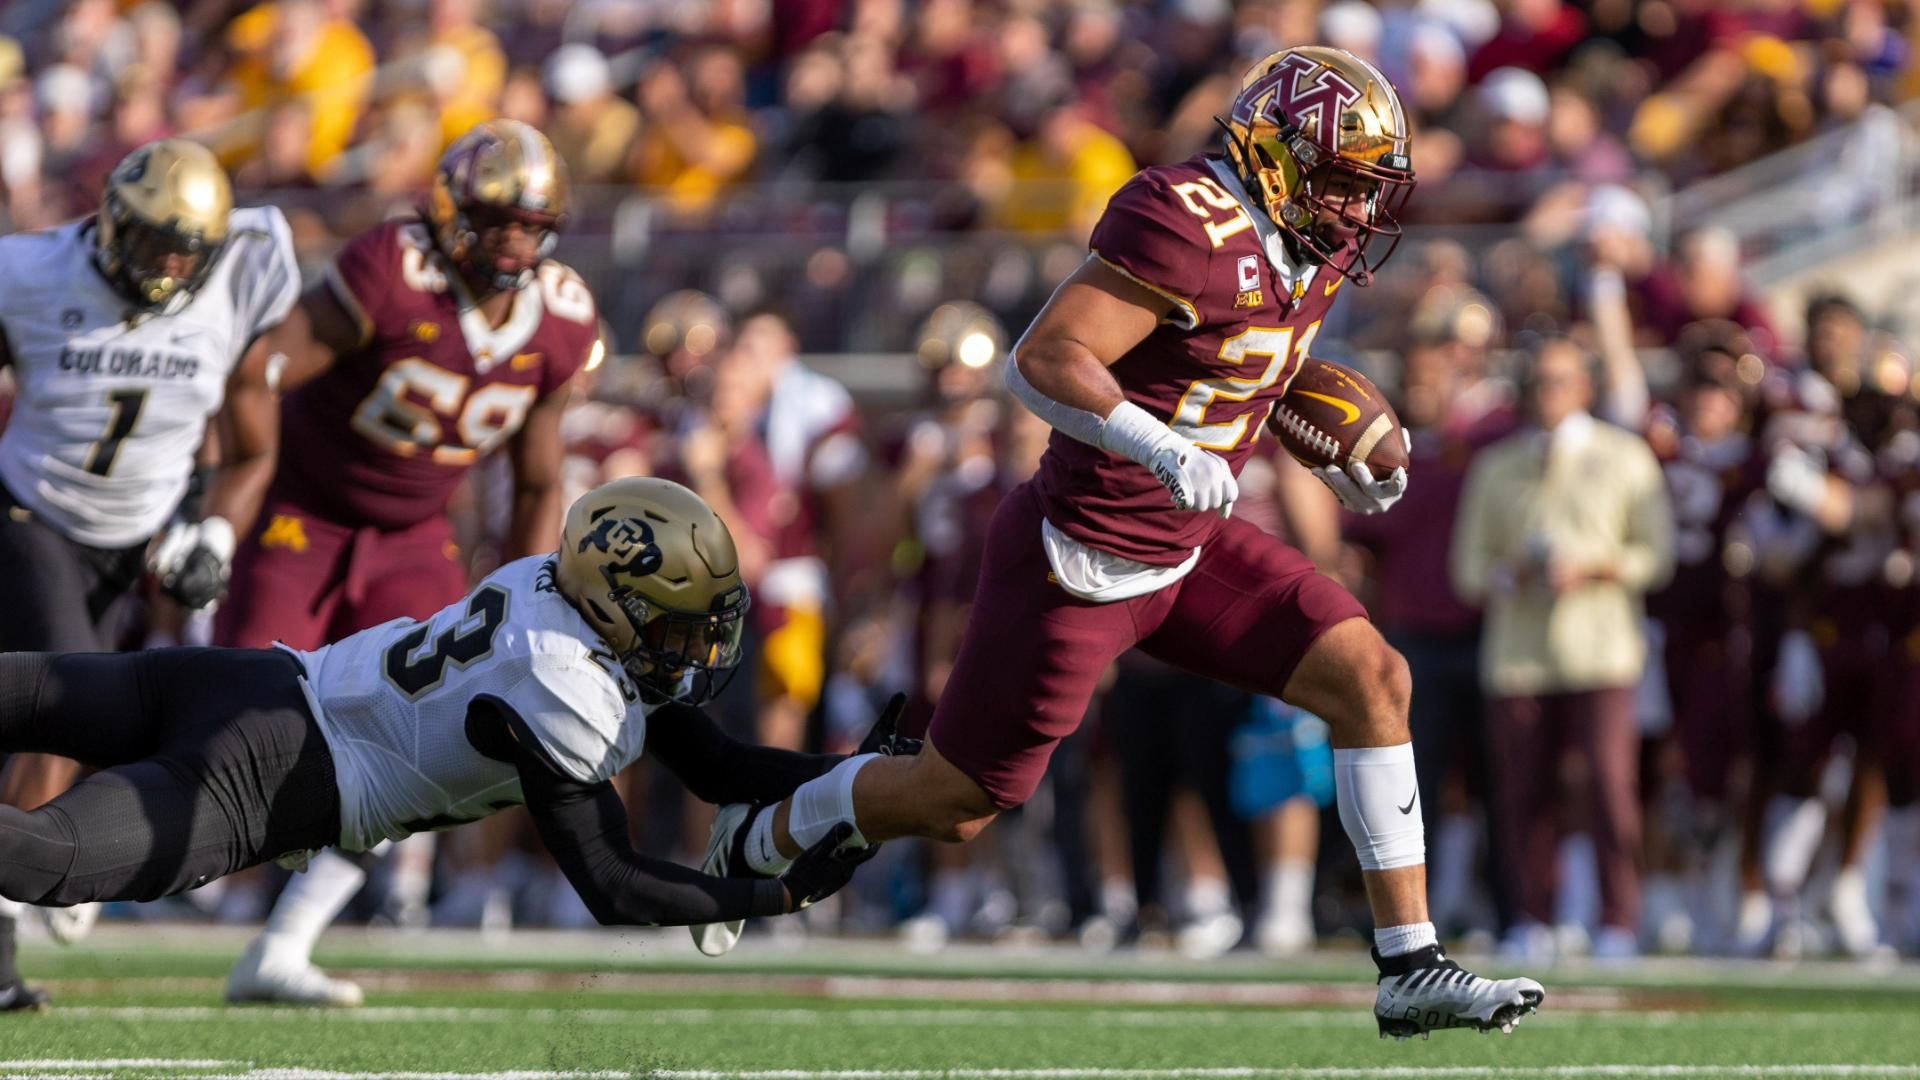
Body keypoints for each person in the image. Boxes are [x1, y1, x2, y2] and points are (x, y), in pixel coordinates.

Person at [698, 46, 1545, 1038]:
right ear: (1277, 158)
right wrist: (1160, 444)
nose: (1359, 210)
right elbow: (1043, 357)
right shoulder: (1185, 219)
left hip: (1192, 550)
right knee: (954, 800)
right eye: (1343, 182)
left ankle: (1409, 963)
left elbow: (1245, 365)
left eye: (1370, 188)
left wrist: (1331, 447)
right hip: (1080, 555)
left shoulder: (1306, 247)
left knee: (1371, 675)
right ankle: (765, 828)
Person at [0, 479, 881, 945]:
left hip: (247, 680)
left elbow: (718, 767)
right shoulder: (564, 685)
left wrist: (866, 779)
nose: (695, 651)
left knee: (21, 692)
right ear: (617, 607)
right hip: (274, 775)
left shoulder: (552, 587)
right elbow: (615, 885)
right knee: (47, 857)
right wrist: (774, 895)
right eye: (677, 628)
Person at [216, 119, 594, 1006]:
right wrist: (232, 485)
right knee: (237, 706)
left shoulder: (563, 321)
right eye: (497, 221)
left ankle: (288, 940)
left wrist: (530, 594)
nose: (514, 243)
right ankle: (103, 869)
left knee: (422, 734)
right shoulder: (392, 266)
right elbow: (262, 368)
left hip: (417, 534)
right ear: (451, 211)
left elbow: (538, 478)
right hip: (303, 512)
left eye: (531, 226)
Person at [0, 137, 300, 1011]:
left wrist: (213, 535)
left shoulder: (240, 281)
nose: (166, 268)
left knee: (77, 719)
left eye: (184, 253)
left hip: (137, 540)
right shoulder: (30, 274)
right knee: (63, 700)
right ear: (108, 221)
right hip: (31, 511)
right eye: (150, 244)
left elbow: (252, 450)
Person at [1450, 338, 1675, 961]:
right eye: (1539, 382)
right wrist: (1513, 575)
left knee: (1608, 786)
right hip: (1519, 656)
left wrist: (1595, 568)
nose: (1547, 393)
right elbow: (1468, 568)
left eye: (1559, 380)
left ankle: (1618, 920)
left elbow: (1656, 553)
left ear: (1584, 387)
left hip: (1602, 650)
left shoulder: (1623, 455)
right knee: (1523, 791)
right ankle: (1532, 916)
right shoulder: (1497, 465)